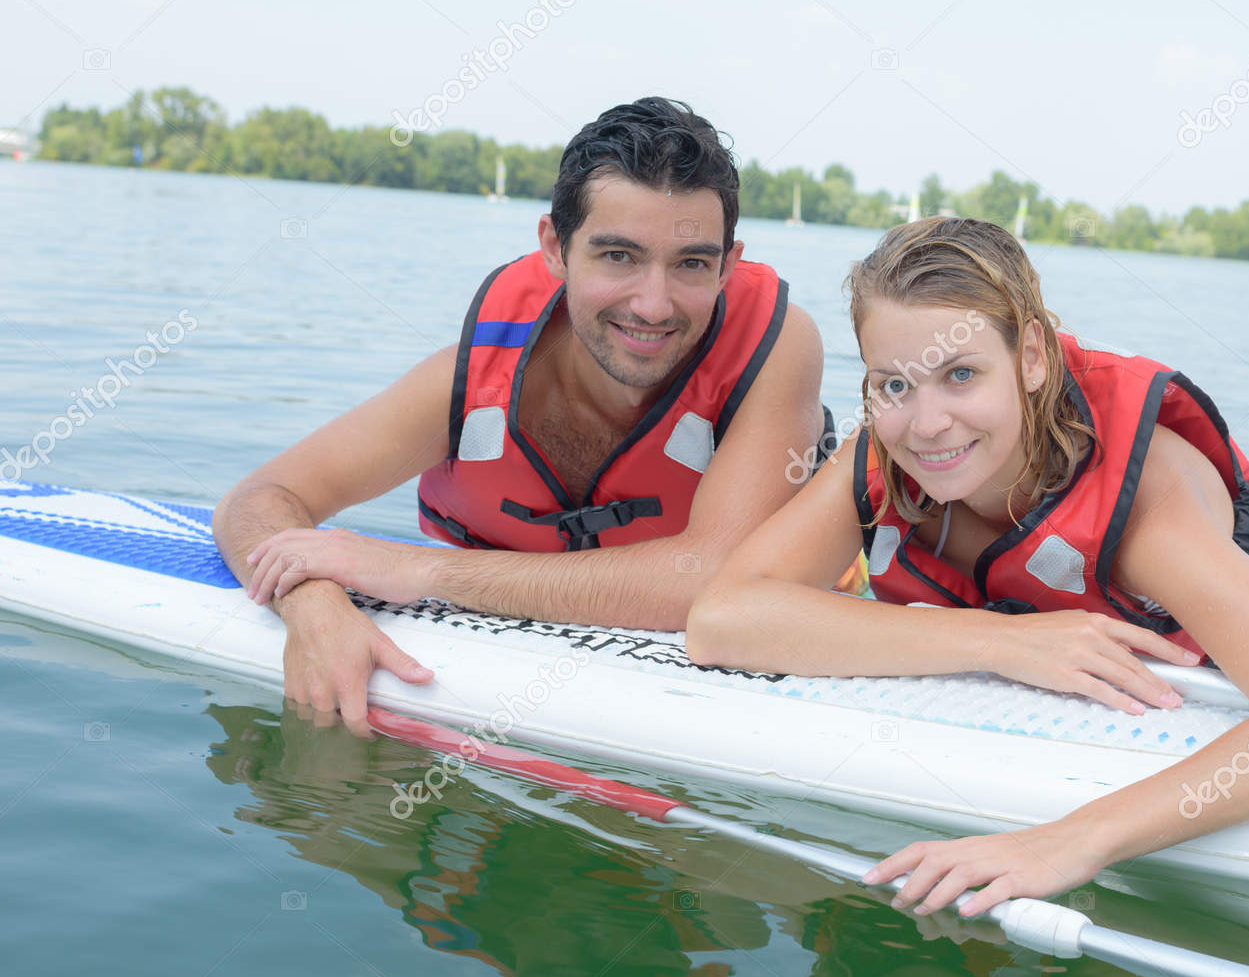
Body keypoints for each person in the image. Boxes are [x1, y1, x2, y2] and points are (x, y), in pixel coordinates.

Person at [686, 216, 1249, 919]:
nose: (926, 423)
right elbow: (723, 619)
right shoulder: (883, 453)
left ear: (1031, 356)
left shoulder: (1149, 510)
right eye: (893, 384)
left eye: (960, 375)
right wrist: (997, 642)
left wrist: (1073, 842)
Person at [215, 97, 828, 727]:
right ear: (555, 249)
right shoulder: (483, 372)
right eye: (619, 256)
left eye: (692, 263)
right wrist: (313, 604)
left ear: (730, 264)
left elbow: (713, 576)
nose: (653, 304)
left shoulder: (778, 348)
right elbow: (261, 496)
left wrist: (422, 568)